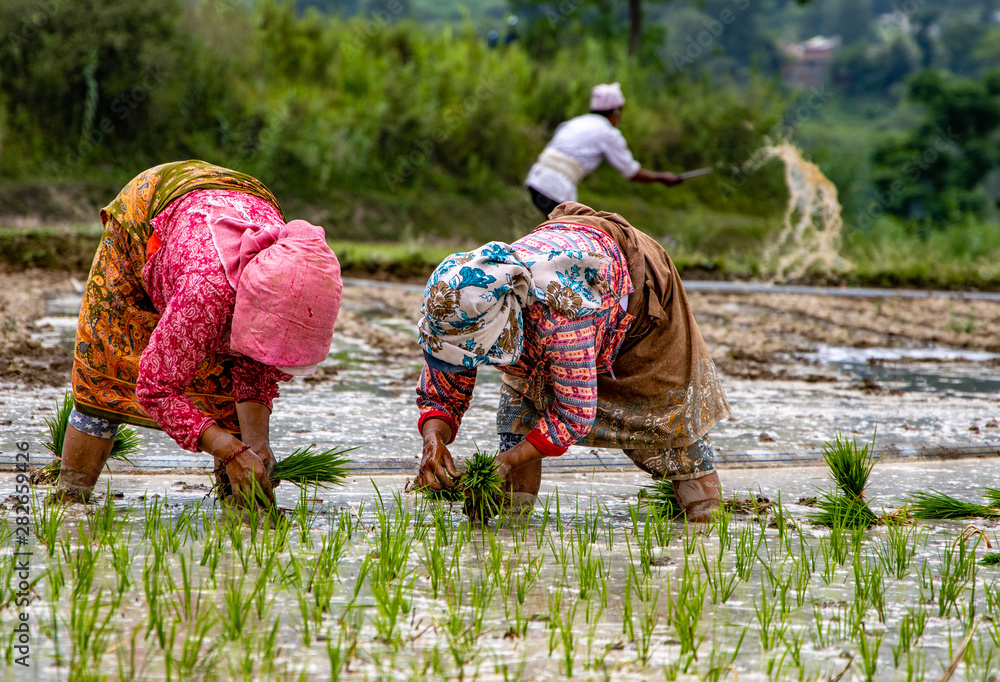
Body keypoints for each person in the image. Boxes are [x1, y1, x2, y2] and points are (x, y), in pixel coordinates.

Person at [414, 202, 731, 521]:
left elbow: (574, 414)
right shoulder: (458, 305)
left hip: (634, 305)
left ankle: (705, 524)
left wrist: (507, 461)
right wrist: (433, 439)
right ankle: (513, 523)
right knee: (521, 411)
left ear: (504, 325)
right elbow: (442, 389)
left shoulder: (560, 319)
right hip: (562, 292)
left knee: (666, 420)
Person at [56, 160, 343, 506]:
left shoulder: (288, 276)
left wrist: (257, 444)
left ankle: (240, 499)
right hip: (150, 217)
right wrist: (231, 451)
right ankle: (70, 500)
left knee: (227, 379)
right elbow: (155, 388)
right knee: (109, 367)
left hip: (236, 202)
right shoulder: (205, 291)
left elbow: (255, 364)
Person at [524, 83, 684, 217]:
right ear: (615, 111)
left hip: (536, 180)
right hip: (556, 188)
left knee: (556, 231)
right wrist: (662, 178)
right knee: (566, 235)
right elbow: (631, 172)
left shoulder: (576, 122)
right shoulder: (608, 133)